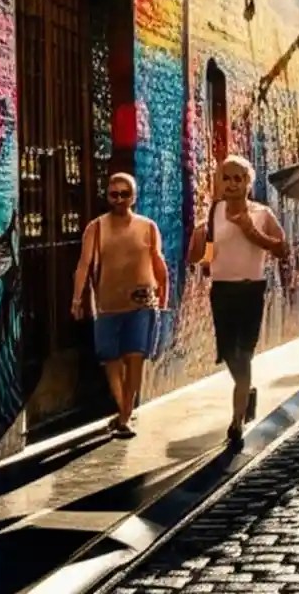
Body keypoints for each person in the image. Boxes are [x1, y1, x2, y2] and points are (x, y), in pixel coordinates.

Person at [188, 155, 288, 443]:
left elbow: (281, 249)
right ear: (219, 181)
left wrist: (250, 230)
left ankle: (236, 422)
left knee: (243, 353)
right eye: (226, 178)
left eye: (237, 178)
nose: (231, 184)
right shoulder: (213, 213)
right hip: (222, 291)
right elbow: (201, 255)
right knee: (229, 354)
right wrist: (201, 248)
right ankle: (247, 389)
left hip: (250, 290)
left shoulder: (262, 213)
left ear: (247, 183)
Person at [72, 173, 168, 439]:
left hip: (142, 302)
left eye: (125, 194)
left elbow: (158, 262)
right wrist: (77, 298)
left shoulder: (148, 227)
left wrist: (164, 293)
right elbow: (84, 265)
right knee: (111, 360)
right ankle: (124, 408)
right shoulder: (96, 228)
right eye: (114, 194)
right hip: (107, 304)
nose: (119, 199)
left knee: (135, 357)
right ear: (107, 196)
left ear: (133, 196)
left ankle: (124, 416)